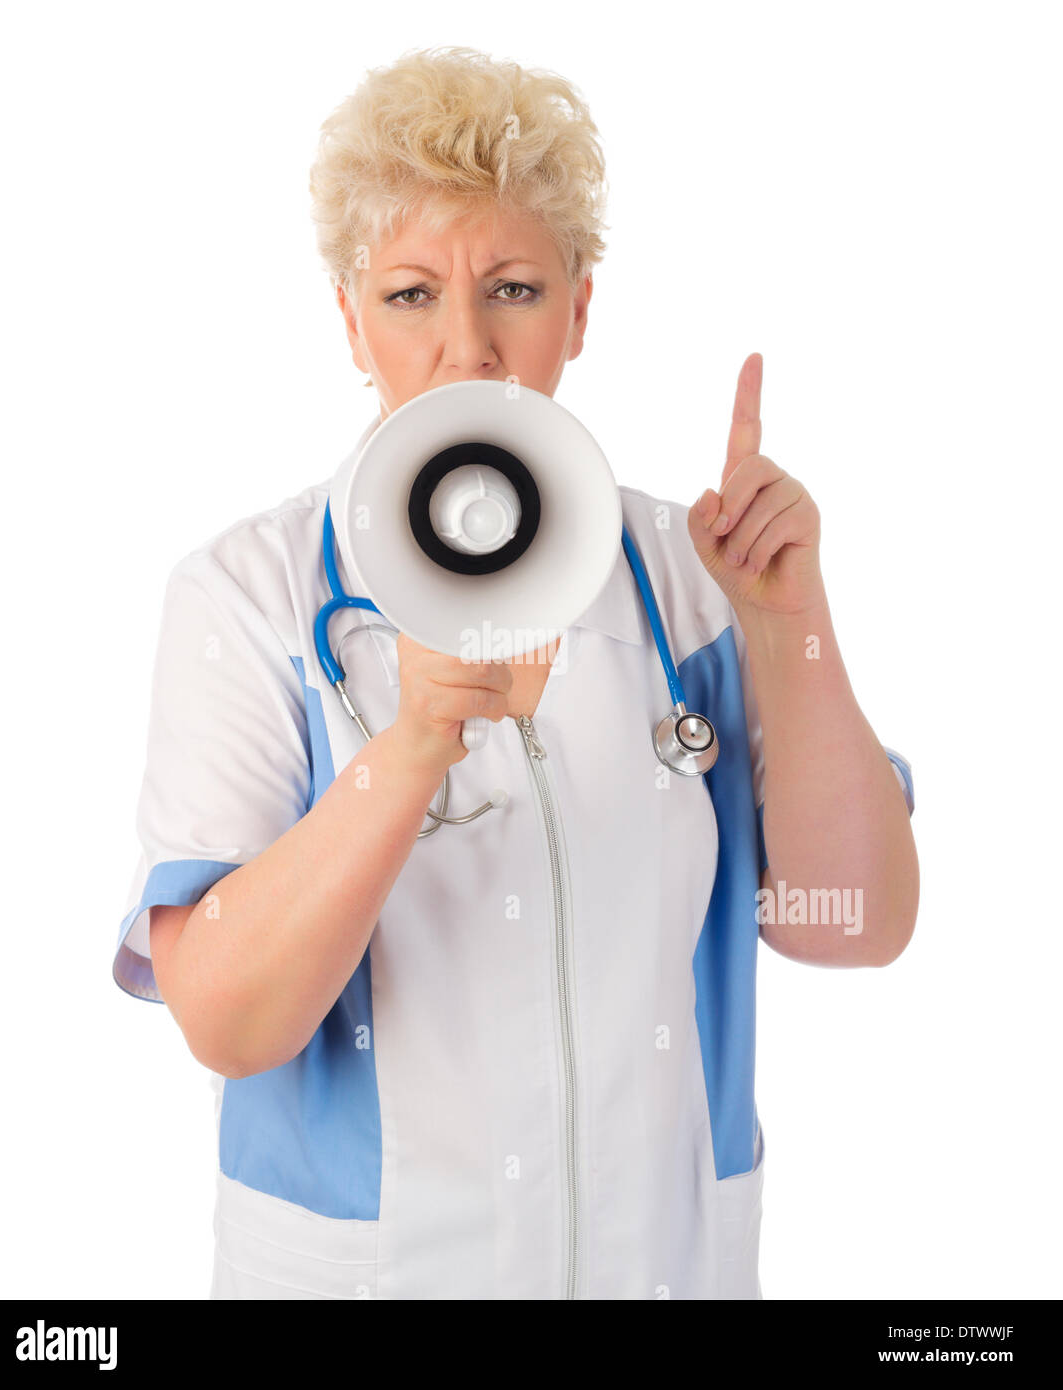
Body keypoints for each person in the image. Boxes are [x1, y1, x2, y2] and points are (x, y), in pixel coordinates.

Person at [112, 45, 919, 1300]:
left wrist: (789, 626)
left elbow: (856, 924)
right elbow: (224, 1017)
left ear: (580, 310)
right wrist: (410, 750)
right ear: (348, 318)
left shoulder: (697, 578)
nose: (467, 348)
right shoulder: (249, 594)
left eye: (514, 287)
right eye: (411, 295)